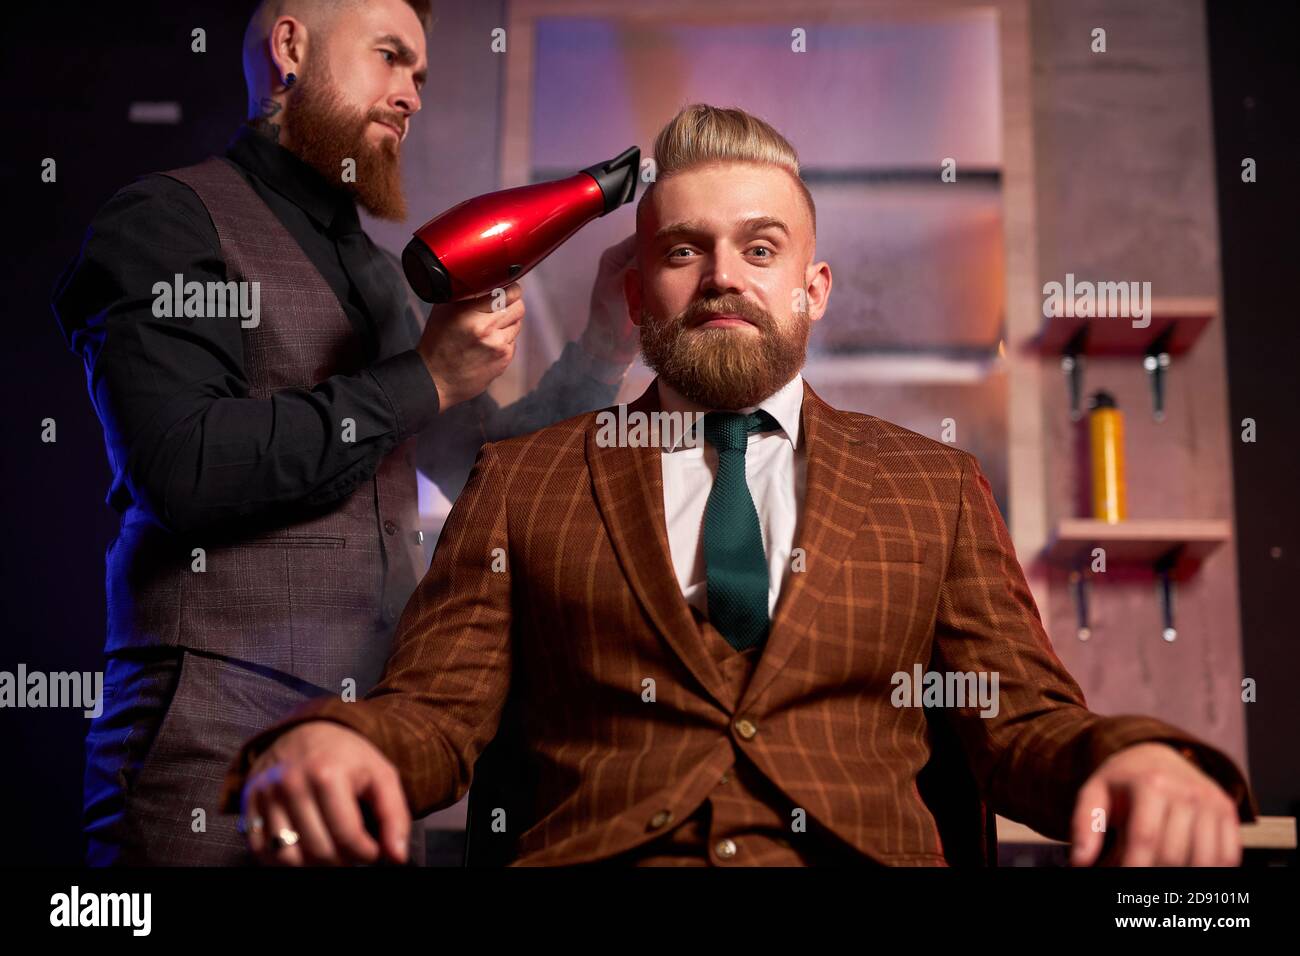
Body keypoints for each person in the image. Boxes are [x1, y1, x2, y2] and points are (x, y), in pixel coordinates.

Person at [222, 103, 1257, 867]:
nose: (722, 274)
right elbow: (436, 713)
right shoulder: (522, 477)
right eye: (683, 249)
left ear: (812, 290)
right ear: (635, 293)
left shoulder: (932, 485)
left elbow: (1019, 723)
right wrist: (338, 734)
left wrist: (1136, 757)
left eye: (761, 248)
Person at [50, 0, 637, 865]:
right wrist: (425, 376)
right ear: (290, 49)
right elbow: (183, 468)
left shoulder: (370, 271)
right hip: (203, 760)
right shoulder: (164, 224)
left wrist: (601, 348)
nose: (412, 95)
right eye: (391, 58)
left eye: (422, 76)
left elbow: (485, 474)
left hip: (365, 750)